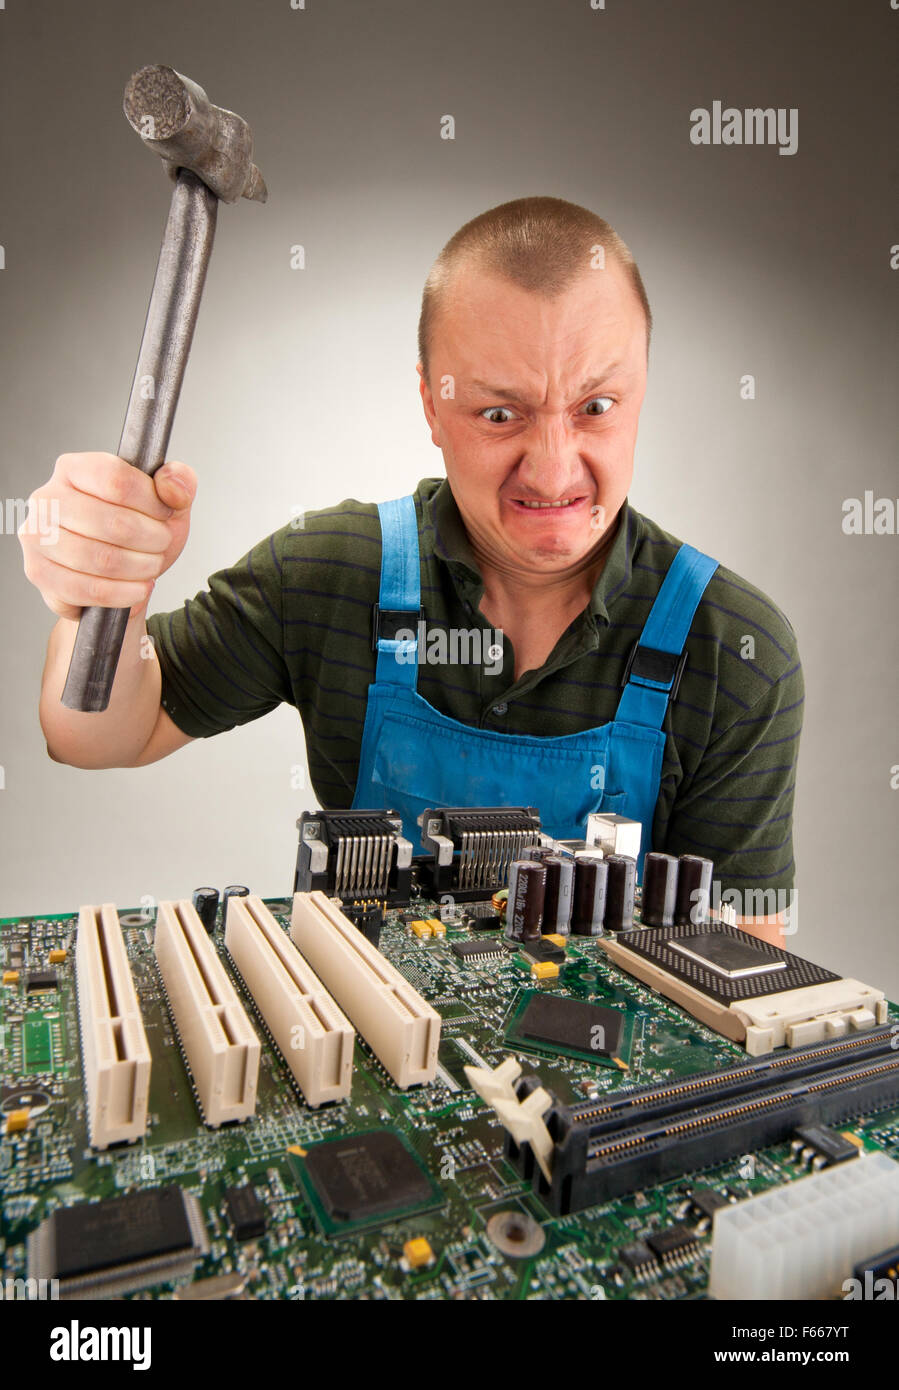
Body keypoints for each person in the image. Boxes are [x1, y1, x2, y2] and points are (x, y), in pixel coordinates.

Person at [22, 197, 803, 944]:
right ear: (431, 403)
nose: (553, 468)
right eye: (500, 414)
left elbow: (739, 973)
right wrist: (103, 593)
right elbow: (95, 736)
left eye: (595, 406)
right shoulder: (330, 574)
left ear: (640, 391)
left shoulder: (733, 648)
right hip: (353, 1061)